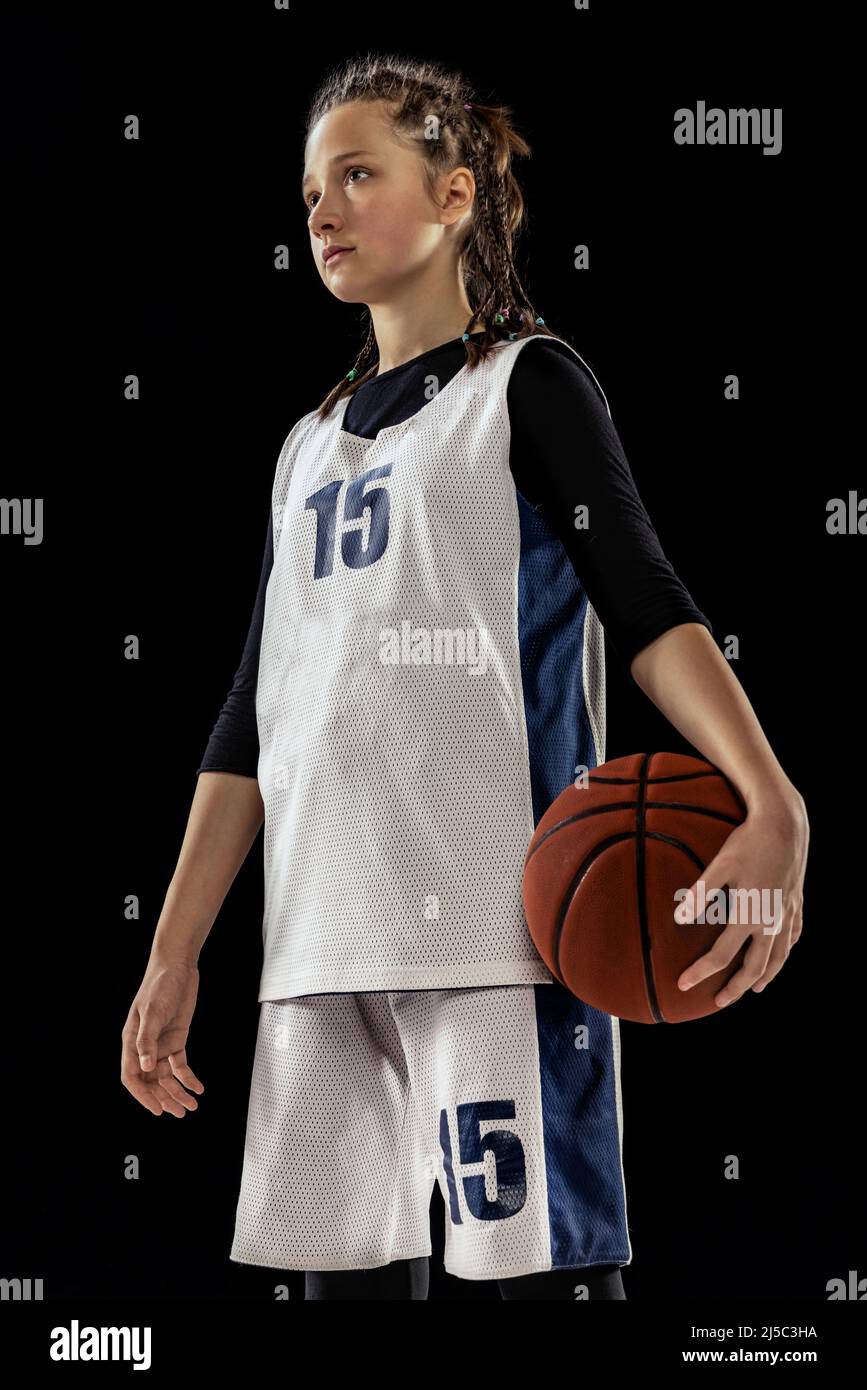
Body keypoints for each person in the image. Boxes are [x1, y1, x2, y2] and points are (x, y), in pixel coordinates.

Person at [121, 55, 809, 1302]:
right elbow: (250, 714)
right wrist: (176, 951)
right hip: (317, 948)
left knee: (541, 1294)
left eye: (356, 175)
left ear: (452, 199)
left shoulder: (526, 385)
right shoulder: (304, 446)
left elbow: (648, 606)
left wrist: (772, 798)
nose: (319, 211)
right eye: (310, 190)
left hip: (499, 933)